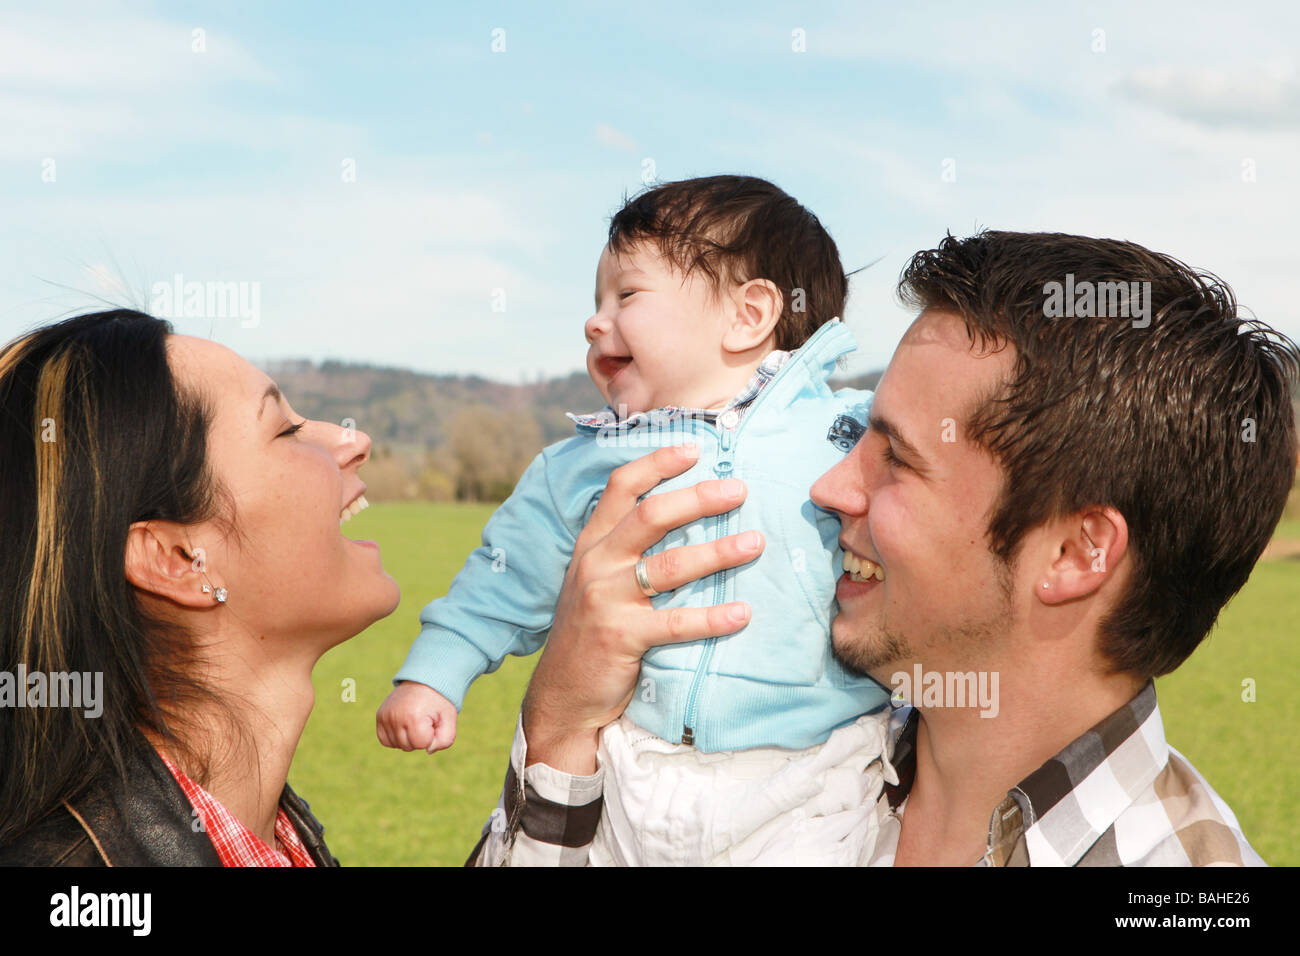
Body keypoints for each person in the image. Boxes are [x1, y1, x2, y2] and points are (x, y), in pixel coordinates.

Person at [468, 230, 1297, 866]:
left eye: (895, 457)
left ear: (1076, 554)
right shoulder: (781, 758)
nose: (830, 489)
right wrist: (561, 732)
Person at [378, 175, 893, 865]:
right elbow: (504, 574)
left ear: (748, 315)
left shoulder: (848, 431)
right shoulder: (585, 462)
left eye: (627, 295)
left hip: (814, 769)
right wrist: (434, 673)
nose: (595, 321)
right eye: (596, 301)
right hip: (631, 765)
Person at [0, 309, 399, 865]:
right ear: (180, 560)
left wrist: (554, 741)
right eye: (284, 430)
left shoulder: (272, 840)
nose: (354, 442)